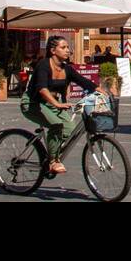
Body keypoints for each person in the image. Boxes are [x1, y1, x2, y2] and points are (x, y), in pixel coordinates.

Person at [22, 35, 106, 175]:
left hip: (53, 105)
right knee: (56, 125)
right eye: (63, 47)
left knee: (70, 131)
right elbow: (42, 89)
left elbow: (83, 81)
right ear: (53, 50)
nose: (67, 50)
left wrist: (100, 90)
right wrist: (57, 103)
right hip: (33, 103)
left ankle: (52, 152)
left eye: (68, 47)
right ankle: (52, 161)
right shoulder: (43, 65)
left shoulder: (67, 69)